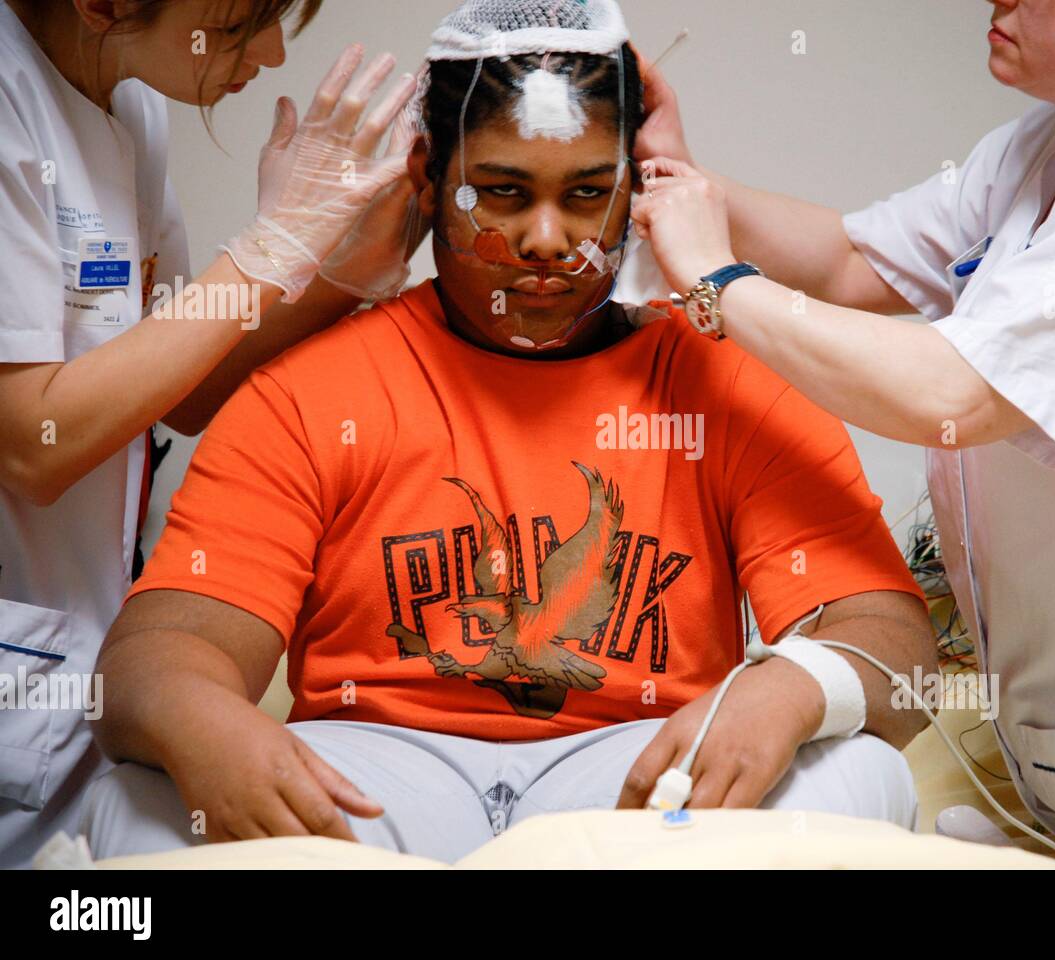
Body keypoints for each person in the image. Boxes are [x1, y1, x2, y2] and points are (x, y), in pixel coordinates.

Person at [77, 0, 936, 865]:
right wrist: (210, 729)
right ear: (425, 177)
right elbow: (155, 654)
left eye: (589, 194)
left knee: (860, 775)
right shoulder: (311, 389)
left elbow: (900, 650)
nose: (547, 239)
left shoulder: (727, 379)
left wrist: (790, 685)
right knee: (134, 804)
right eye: (503, 193)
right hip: (374, 782)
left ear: (640, 188)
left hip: (635, 786)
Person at [629, 0, 1055, 868]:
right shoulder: (1045, 149)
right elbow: (849, 260)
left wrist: (719, 281)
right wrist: (678, 174)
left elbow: (957, 391)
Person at [0, 0, 420, 867]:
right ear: (105, 5)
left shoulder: (127, 101)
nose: (267, 55)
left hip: (70, 663)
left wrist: (332, 277)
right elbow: (32, 443)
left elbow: (175, 390)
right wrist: (268, 246)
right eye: (234, 28)